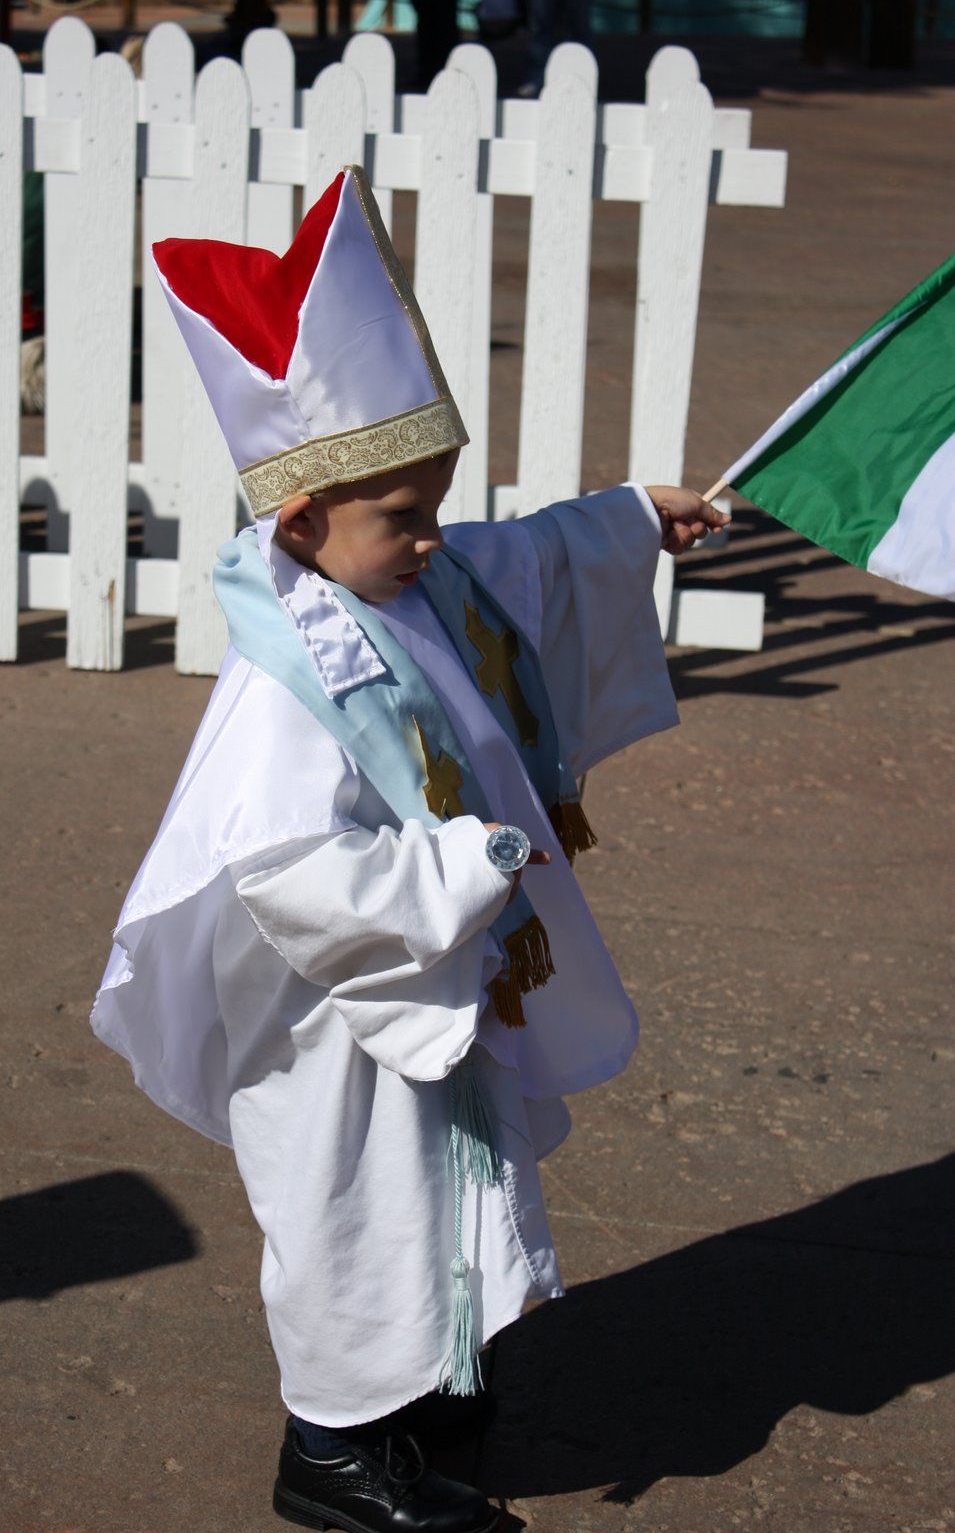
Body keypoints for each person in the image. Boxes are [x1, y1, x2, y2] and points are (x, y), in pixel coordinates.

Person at [91, 165, 727, 1533]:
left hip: (427, 981)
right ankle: (329, 1451)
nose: (431, 536)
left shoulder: (409, 577)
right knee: (351, 1212)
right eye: (401, 513)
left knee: (448, 1175)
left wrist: (627, 517)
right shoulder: (289, 682)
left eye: (432, 500)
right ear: (302, 522)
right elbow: (285, 874)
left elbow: (515, 562)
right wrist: (466, 870)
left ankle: (430, 1389)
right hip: (337, 1016)